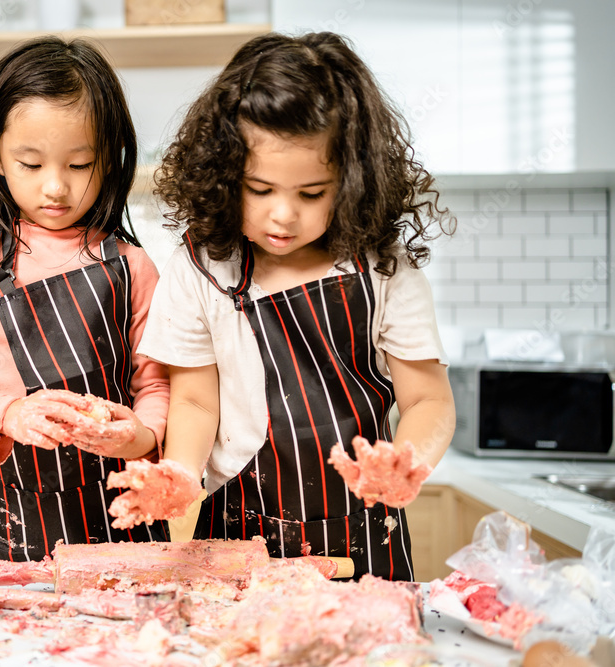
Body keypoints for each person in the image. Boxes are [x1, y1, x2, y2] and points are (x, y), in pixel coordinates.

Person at [118, 31, 456, 581]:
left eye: (311, 194)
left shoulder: (384, 268)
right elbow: (197, 404)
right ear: (226, 174)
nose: (283, 216)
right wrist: (180, 472)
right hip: (235, 528)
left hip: (362, 529)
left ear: (352, 182)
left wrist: (405, 461)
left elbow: (429, 402)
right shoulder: (202, 267)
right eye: (260, 188)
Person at [0, 36, 171, 563]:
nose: (56, 187)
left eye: (79, 165)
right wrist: (7, 413)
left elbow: (158, 383)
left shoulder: (132, 267)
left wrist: (141, 436)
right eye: (31, 164)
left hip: (122, 527)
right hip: (9, 530)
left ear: (112, 160)